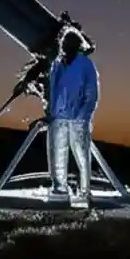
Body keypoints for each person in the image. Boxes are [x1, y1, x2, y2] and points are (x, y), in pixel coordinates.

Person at [44, 29, 99, 203]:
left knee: (82, 156)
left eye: (69, 43)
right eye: (64, 43)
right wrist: (51, 112)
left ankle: (84, 192)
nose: (65, 46)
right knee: (57, 154)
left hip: (78, 119)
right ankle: (59, 189)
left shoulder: (86, 64)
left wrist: (83, 115)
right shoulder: (57, 64)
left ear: (76, 45)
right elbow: (52, 89)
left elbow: (92, 92)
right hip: (58, 118)